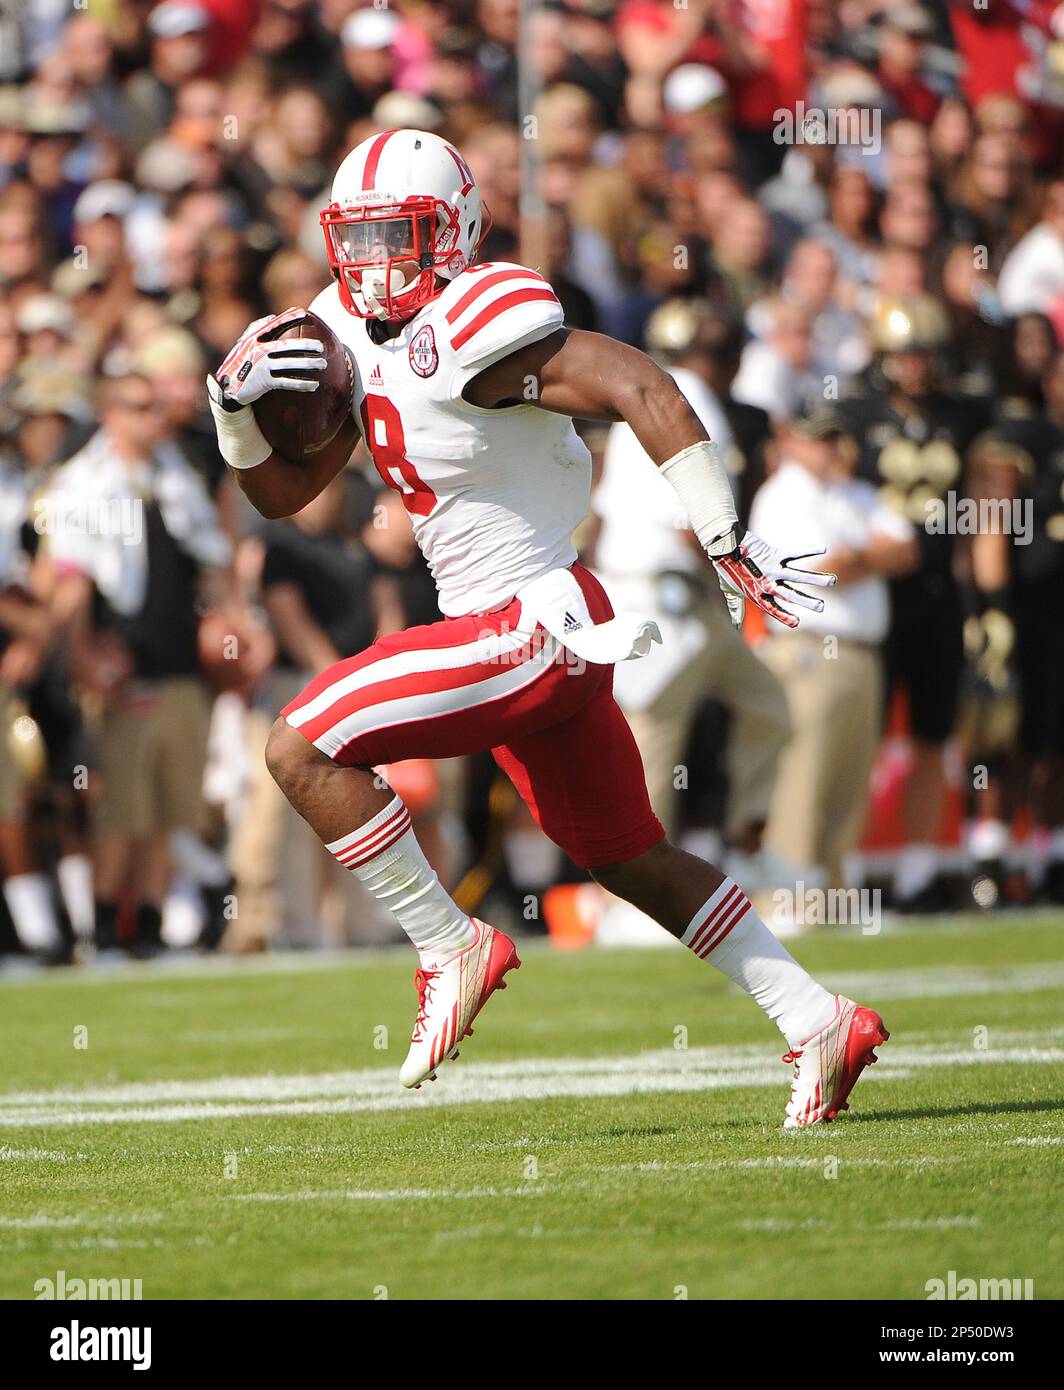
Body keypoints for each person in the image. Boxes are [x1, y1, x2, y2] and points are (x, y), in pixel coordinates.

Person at [207, 128, 888, 1128]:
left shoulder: (481, 316)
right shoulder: (337, 327)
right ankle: (818, 1017)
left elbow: (640, 384)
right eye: (356, 240)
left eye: (398, 234)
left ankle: (451, 945)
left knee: (300, 743)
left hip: (533, 617)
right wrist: (232, 414)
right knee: (624, 856)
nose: (373, 263)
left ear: (454, 230)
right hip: (525, 631)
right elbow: (285, 496)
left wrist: (719, 528)